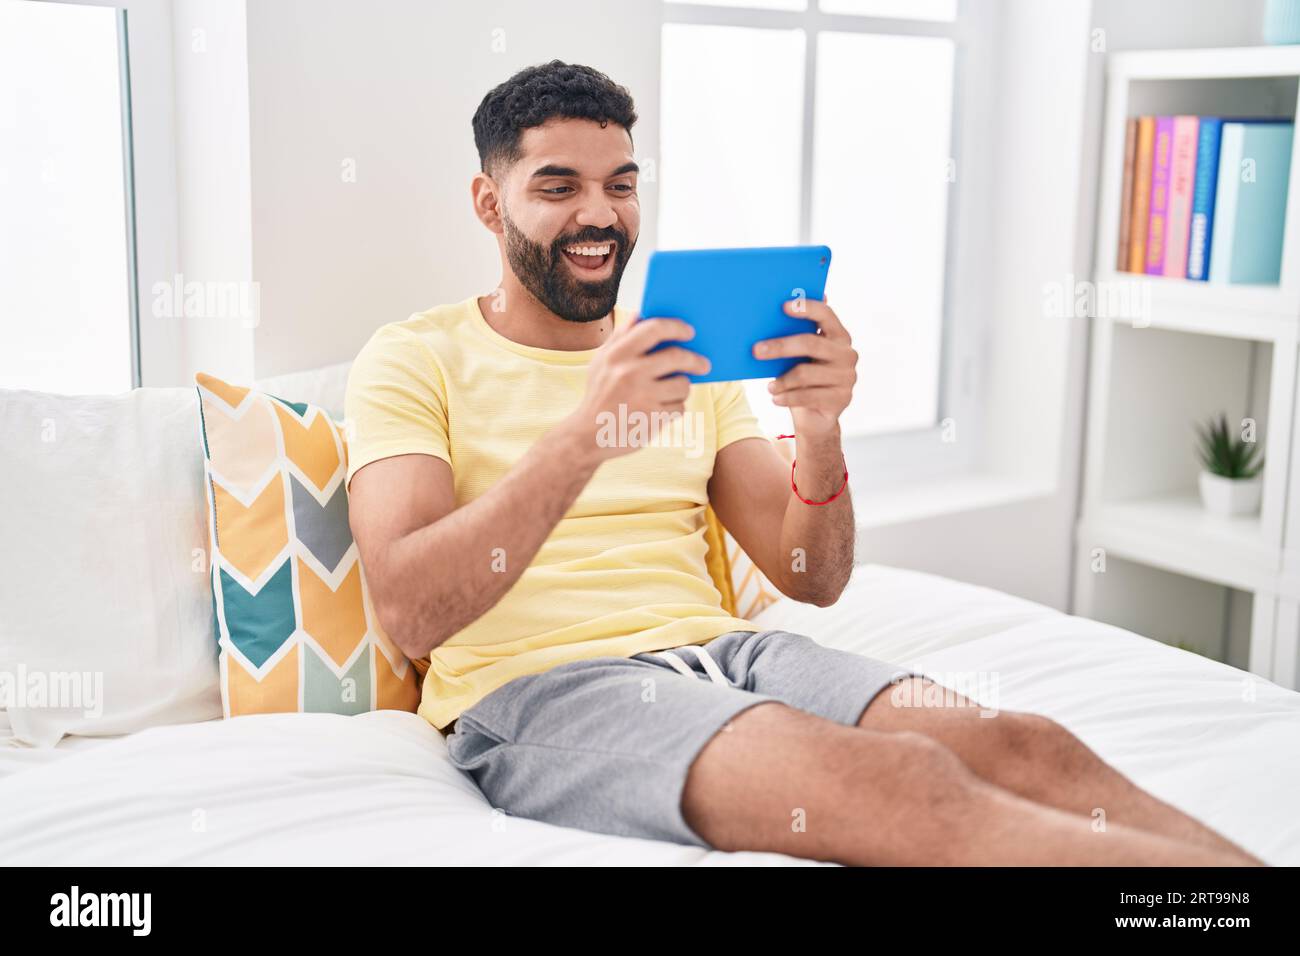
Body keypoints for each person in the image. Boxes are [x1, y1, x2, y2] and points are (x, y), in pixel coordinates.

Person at [344, 60, 1262, 866]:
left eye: (621, 184)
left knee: (1026, 748)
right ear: (488, 201)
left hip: (733, 653)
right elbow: (412, 611)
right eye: (559, 187)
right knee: (902, 785)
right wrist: (587, 433)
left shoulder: (679, 352)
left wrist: (819, 431)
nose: (600, 214)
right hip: (544, 693)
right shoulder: (414, 358)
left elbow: (810, 577)